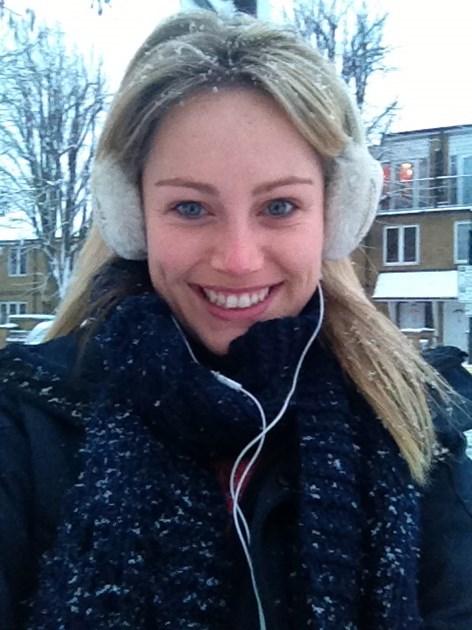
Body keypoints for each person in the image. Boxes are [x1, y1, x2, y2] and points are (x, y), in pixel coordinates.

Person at [0, 10, 471, 630]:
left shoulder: (414, 424)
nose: (239, 259)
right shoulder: (27, 423)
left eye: (280, 206)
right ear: (131, 216)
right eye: (191, 208)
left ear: (335, 215)